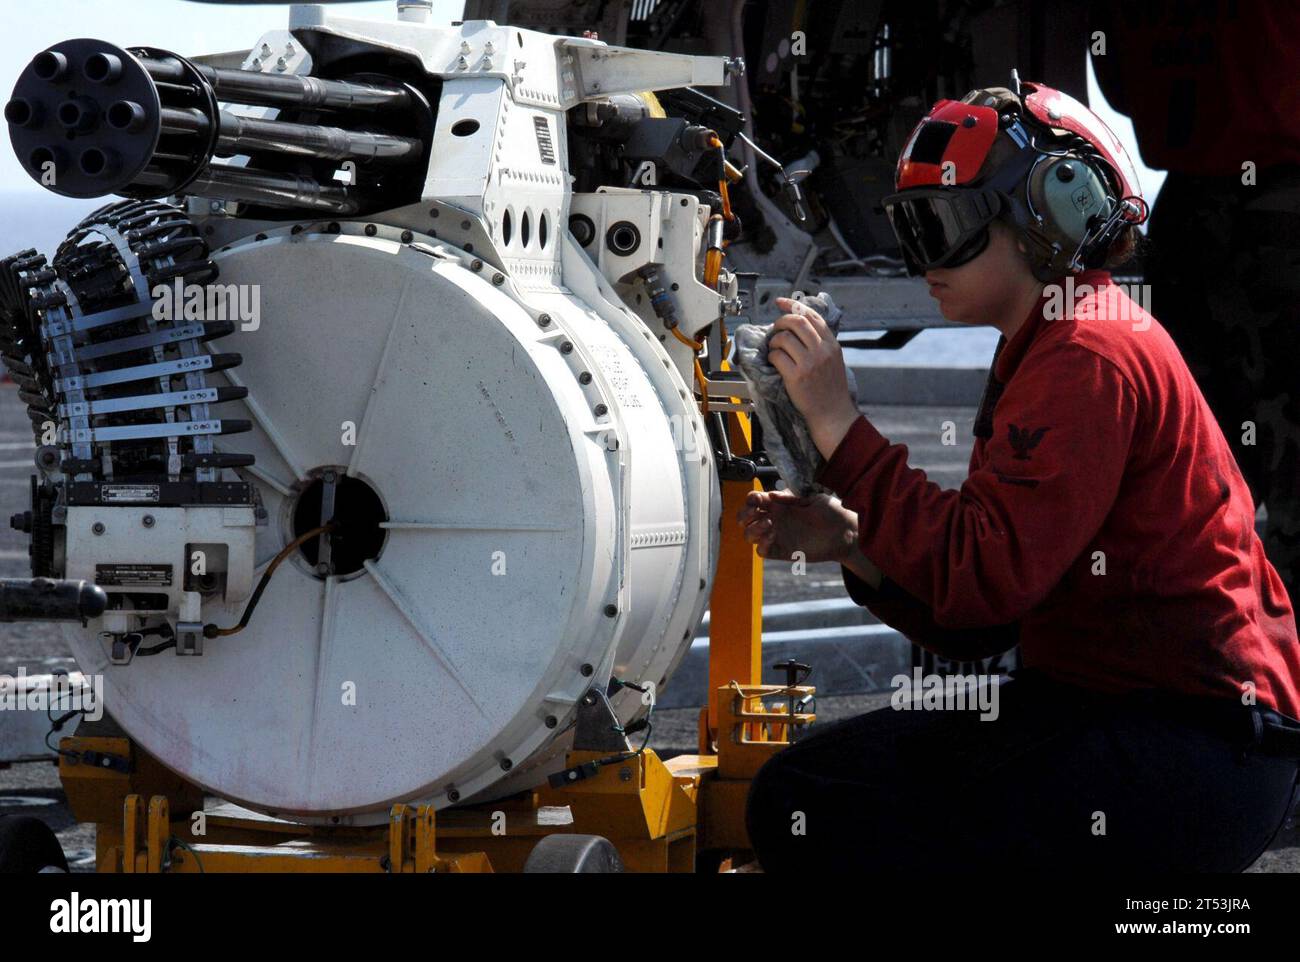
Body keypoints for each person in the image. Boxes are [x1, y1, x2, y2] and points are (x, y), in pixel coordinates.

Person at [740, 84, 1300, 872]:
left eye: (944, 226)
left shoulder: (1086, 354)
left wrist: (838, 424)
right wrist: (856, 544)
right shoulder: (1056, 338)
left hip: (1187, 746)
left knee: (815, 799)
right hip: (1161, 731)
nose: (923, 259)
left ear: (1050, 214)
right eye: (912, 229)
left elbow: (983, 584)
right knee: (816, 788)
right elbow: (986, 621)